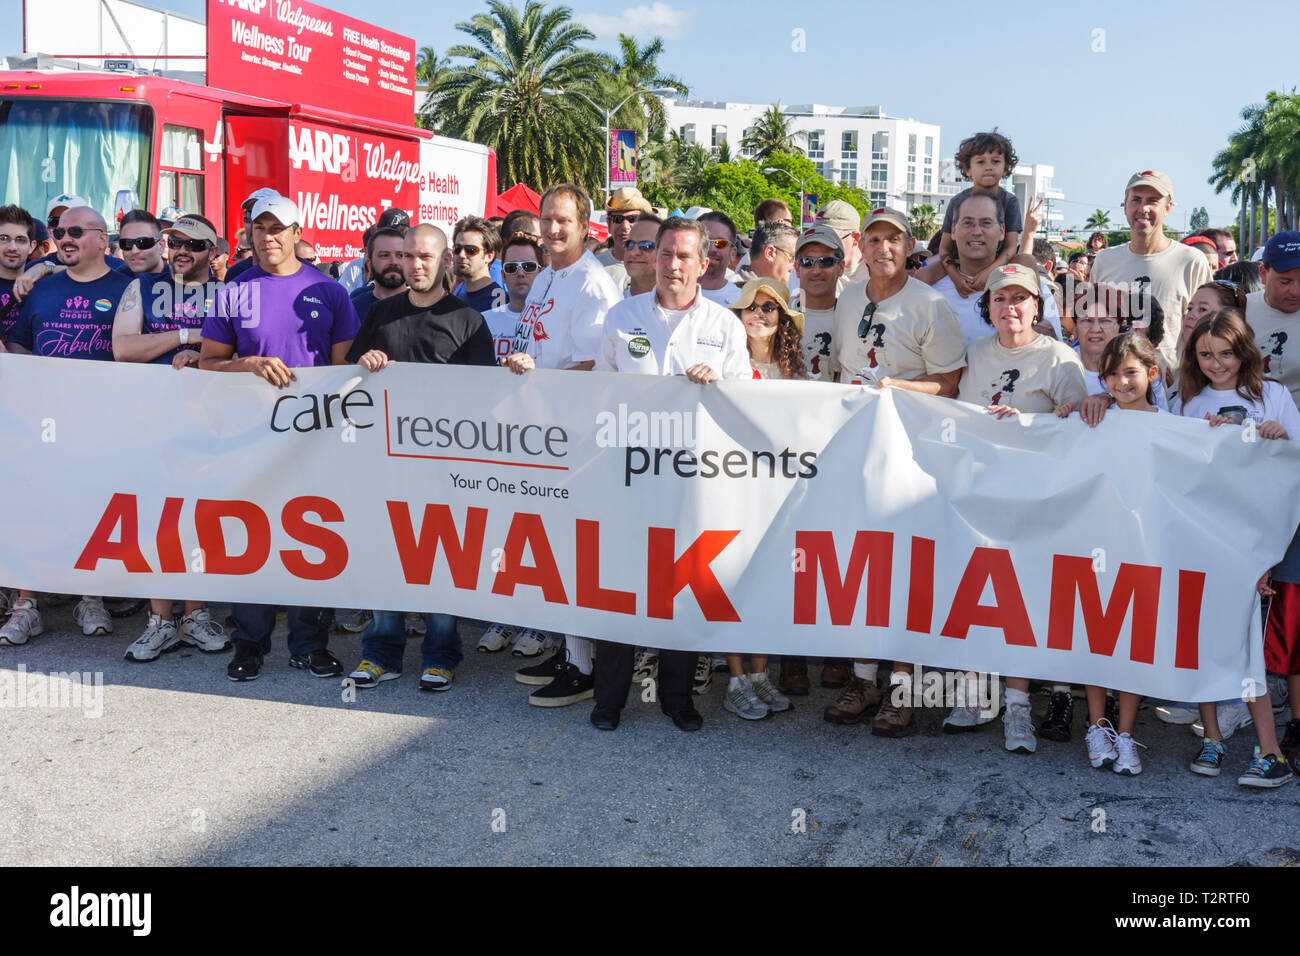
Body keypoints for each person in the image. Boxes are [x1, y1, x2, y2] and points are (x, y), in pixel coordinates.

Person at [591, 215, 751, 732]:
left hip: (692, 480)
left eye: (685, 255)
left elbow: (746, 401)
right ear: (652, 258)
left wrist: (718, 383)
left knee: (681, 591)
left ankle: (677, 699)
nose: (673, 264)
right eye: (666, 253)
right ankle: (608, 699)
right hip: (629, 478)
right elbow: (598, 395)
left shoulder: (724, 325)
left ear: (705, 265)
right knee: (619, 589)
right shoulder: (622, 316)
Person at [198, 195, 360, 682]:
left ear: (296, 233)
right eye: (259, 227)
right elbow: (208, 364)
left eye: (278, 228)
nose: (268, 236)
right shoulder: (233, 290)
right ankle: (250, 643)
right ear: (248, 233)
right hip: (249, 437)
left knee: (315, 540)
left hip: (313, 437)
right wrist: (246, 364)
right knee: (252, 539)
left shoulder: (329, 291)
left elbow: (342, 375)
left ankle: (310, 644)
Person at [827, 207, 966, 737]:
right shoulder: (847, 299)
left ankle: (903, 686)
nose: (883, 248)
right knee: (861, 564)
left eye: (893, 239)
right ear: (860, 245)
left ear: (909, 247)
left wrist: (896, 390)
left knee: (904, 570)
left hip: (911, 456)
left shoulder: (929, 304)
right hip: (854, 453)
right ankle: (864, 679)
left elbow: (949, 383)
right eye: (873, 238)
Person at [343, 224, 498, 692]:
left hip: (444, 467)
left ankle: (441, 654)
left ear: (446, 260)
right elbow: (348, 378)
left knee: (441, 561)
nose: (415, 265)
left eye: (426, 257)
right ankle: (380, 652)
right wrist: (364, 366)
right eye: (408, 257)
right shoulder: (380, 314)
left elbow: (484, 399)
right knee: (386, 557)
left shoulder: (468, 320)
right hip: (385, 461)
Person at [953, 264, 1086, 752]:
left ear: (1037, 305)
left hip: (1033, 502)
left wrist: (1028, 424)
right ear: (987, 306)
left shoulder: (1059, 358)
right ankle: (972, 695)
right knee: (973, 594)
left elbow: (1077, 429)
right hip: (976, 495)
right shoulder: (972, 353)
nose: (1010, 307)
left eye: (1020, 298)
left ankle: (1016, 709)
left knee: (1020, 605)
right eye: (1000, 298)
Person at [505, 183, 622, 706]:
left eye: (563, 222)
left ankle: (583, 666)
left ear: (583, 226)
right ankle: (574, 649)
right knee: (551, 545)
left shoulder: (592, 286)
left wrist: (541, 376)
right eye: (547, 219)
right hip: (542, 429)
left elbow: (596, 367)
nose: (552, 229)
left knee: (573, 549)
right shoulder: (550, 275)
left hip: (574, 436)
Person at [0, 205, 135, 645]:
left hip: (106, 422)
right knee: (37, 509)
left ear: (102, 238)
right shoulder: (41, 289)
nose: (66, 237)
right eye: (59, 231)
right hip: (45, 421)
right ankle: (26, 605)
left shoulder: (127, 287)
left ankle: (90, 597)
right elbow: (18, 343)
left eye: (77, 230)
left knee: (94, 507)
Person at [1173, 308, 1297, 786]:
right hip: (1204, 539)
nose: (1216, 363)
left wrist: (1279, 438)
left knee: (1247, 649)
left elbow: (1295, 467)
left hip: (1258, 543)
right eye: (1206, 354)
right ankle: (1212, 737)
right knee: (1203, 643)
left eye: (1226, 353)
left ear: (1243, 351)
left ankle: (1272, 754)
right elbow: (1182, 477)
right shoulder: (1189, 402)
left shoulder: (1275, 395)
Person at [110, 214, 232, 661]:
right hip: (152, 421)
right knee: (158, 517)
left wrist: (199, 355)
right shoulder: (140, 288)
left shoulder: (228, 293)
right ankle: (160, 620)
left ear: (212, 253)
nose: (182, 251)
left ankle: (194, 615)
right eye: (175, 242)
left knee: (198, 518)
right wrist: (188, 335)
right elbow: (124, 349)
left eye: (194, 246)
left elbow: (239, 351)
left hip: (210, 421)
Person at [712, 276, 808, 720]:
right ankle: (735, 679)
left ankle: (758, 676)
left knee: (768, 585)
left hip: (776, 494)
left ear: (783, 320)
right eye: (751, 306)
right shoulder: (724, 367)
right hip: (731, 488)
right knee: (734, 582)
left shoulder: (796, 375)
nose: (758, 314)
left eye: (769, 308)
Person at [1243, 231, 1300, 772]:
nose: (1295, 289)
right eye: (1285, 279)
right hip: (1248, 462)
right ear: (1264, 276)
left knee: (1292, 583)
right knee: (1254, 577)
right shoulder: (1242, 312)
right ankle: (1254, 687)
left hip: (1296, 458)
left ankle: (1287, 696)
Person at [1089, 170, 1213, 372]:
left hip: (1174, 390)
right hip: (1116, 387)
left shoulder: (1191, 261)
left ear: (1167, 208)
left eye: (1152, 201)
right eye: (1136, 200)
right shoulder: (1105, 261)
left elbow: (1208, 328)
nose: (1143, 208)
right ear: (1125, 205)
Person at [931, 193, 1064, 343]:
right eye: (968, 222)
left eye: (986, 223)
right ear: (953, 230)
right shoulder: (928, 290)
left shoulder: (1034, 291)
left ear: (1002, 231)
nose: (976, 231)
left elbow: (1054, 354)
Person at [933, 131, 1023, 295]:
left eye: (995, 161)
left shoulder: (1010, 202)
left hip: (998, 263)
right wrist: (955, 276)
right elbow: (944, 248)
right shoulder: (957, 202)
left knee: (1027, 260)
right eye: (981, 162)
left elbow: (1011, 247)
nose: (989, 167)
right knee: (925, 272)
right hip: (960, 262)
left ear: (1005, 168)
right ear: (967, 170)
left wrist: (990, 271)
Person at [480, 233, 545, 367]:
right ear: (503, 275)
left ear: (541, 273)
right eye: (512, 268)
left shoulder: (554, 321)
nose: (520, 273)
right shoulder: (483, 321)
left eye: (529, 266)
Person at [790, 224, 843, 382]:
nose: (816, 270)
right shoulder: (780, 315)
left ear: (841, 267)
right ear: (797, 267)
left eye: (826, 261)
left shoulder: (852, 317)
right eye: (807, 261)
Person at [600, 186, 654, 291]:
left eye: (632, 219)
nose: (625, 226)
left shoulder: (656, 268)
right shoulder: (594, 267)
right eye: (618, 219)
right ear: (609, 223)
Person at [349, 226, 407, 323]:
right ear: (369, 264)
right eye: (385, 255)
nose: (393, 262)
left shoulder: (424, 308)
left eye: (400, 255)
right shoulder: (353, 311)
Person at [451, 215, 506, 313]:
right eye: (457, 249)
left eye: (471, 250)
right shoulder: (458, 292)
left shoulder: (500, 301)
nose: (462, 255)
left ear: (489, 256)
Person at [0, 205, 35, 342]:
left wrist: (44, 268)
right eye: (3, 238)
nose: (12, 247)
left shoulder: (43, 282)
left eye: (20, 240)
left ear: (31, 246)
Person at [696, 210, 742, 306]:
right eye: (705, 242)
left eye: (721, 243)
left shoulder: (742, 301)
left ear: (732, 253)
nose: (712, 249)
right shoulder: (670, 294)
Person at [816, 199, 864, 286]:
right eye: (817, 238)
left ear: (855, 239)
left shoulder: (875, 272)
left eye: (830, 239)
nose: (821, 245)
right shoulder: (807, 268)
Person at [620, 214, 660, 298]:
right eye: (629, 244)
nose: (634, 252)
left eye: (646, 245)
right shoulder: (611, 305)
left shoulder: (679, 308)